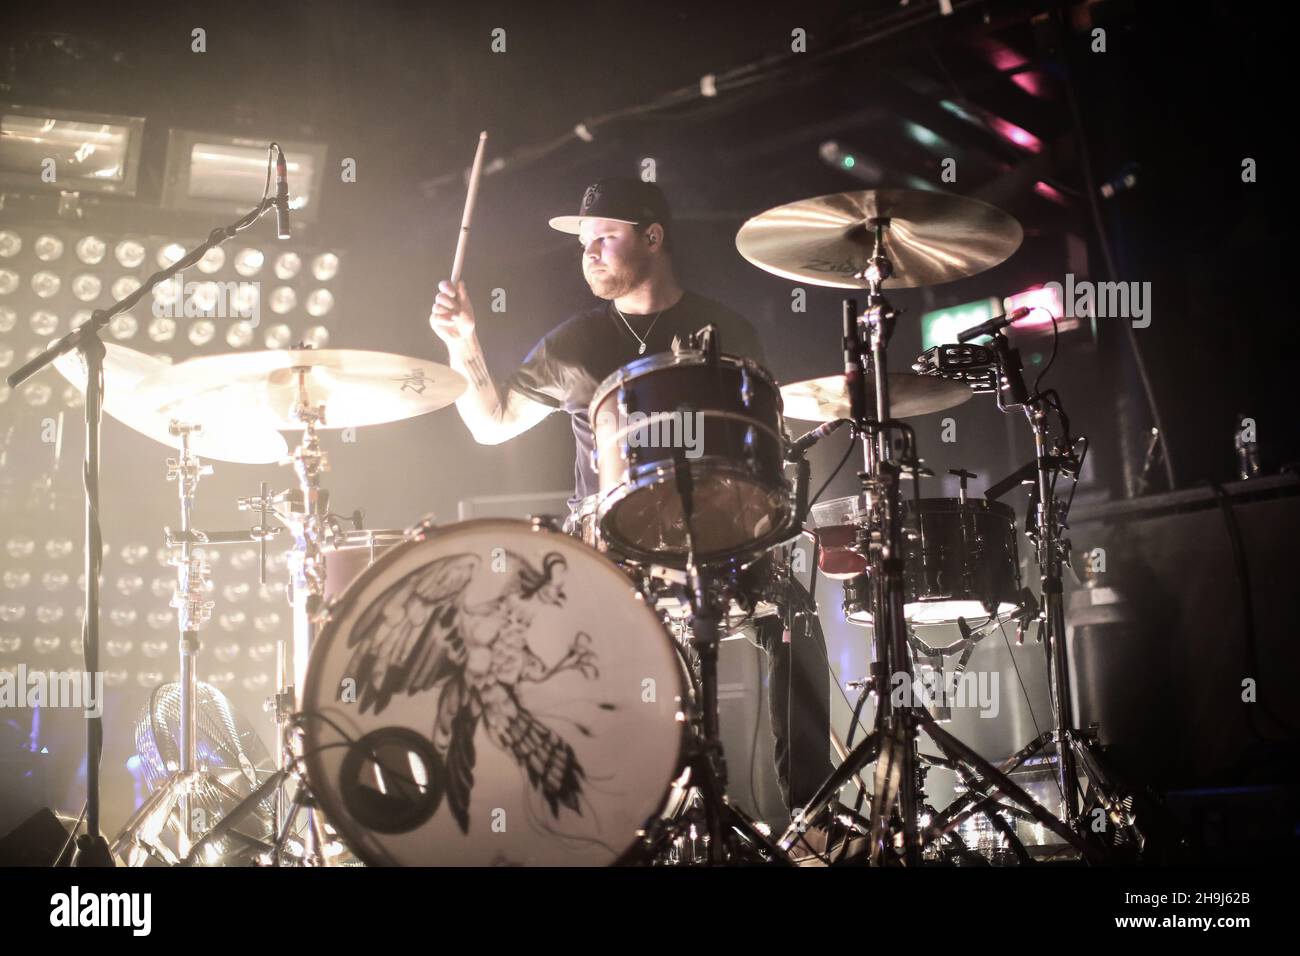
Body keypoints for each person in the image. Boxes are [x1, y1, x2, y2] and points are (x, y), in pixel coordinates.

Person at [430, 176, 832, 813]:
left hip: (719, 542)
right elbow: (491, 425)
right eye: (583, 243)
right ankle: (617, 821)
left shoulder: (727, 329)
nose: (588, 254)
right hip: (610, 552)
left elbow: (766, 453)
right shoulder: (574, 344)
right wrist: (462, 343)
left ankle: (817, 816)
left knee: (796, 614)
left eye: (604, 238)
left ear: (652, 237)